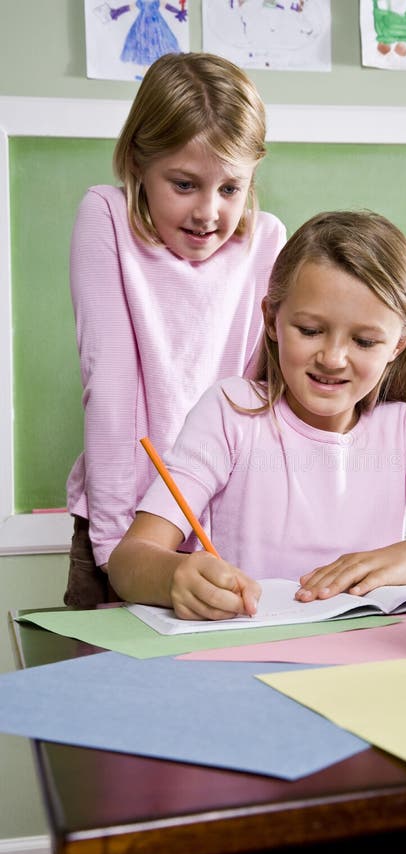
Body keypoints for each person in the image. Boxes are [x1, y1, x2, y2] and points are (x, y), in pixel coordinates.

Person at [108, 210, 406, 621]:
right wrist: (175, 574)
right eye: (310, 330)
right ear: (272, 319)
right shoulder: (231, 413)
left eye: (365, 340)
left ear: (400, 345)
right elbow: (127, 562)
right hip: (248, 652)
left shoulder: (405, 432)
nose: (333, 358)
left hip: (362, 662)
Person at [64, 52, 286, 608]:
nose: (209, 211)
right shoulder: (107, 218)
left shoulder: (266, 243)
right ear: (138, 162)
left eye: (231, 188)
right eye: (184, 184)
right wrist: (116, 549)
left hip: (223, 530)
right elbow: (108, 386)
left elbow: (262, 397)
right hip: (124, 530)